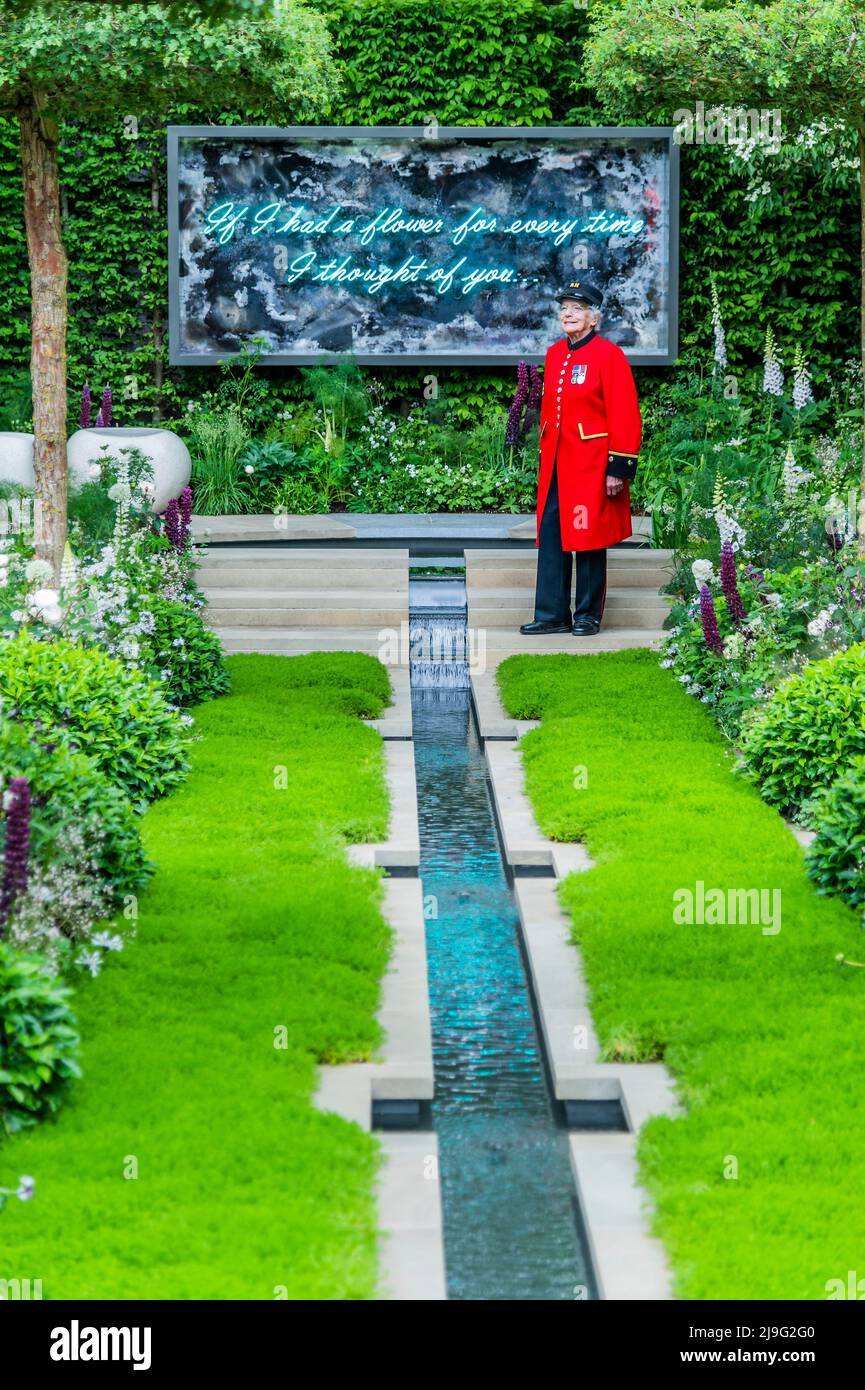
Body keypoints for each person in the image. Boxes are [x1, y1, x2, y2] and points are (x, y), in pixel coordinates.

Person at [520, 279, 642, 637]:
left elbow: (625, 413)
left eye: (577, 308)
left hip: (591, 466)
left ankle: (587, 614)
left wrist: (617, 468)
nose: (568, 313)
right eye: (564, 308)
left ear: (594, 318)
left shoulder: (609, 355)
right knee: (552, 535)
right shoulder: (556, 354)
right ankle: (552, 614)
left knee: (588, 538)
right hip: (558, 464)